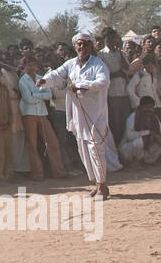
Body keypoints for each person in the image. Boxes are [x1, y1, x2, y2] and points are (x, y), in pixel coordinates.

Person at [40, 34, 117, 198]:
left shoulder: (98, 64)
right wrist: (44, 80)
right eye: (78, 45)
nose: (81, 47)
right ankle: (97, 183)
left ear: (90, 46)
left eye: (84, 44)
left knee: (96, 149)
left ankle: (102, 184)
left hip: (95, 114)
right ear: (75, 47)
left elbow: (103, 82)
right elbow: (57, 75)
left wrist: (82, 85)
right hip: (77, 115)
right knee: (83, 149)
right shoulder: (71, 64)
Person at [119, 97, 161, 166]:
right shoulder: (133, 117)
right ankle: (133, 162)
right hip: (129, 148)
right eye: (146, 107)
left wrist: (159, 136)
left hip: (148, 147)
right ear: (141, 107)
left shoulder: (154, 117)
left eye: (150, 107)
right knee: (139, 142)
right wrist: (148, 132)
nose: (148, 109)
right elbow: (129, 136)